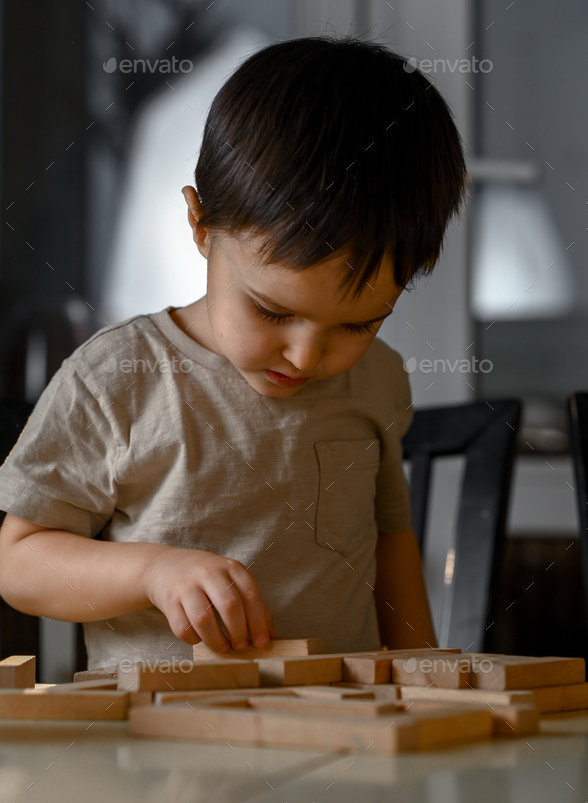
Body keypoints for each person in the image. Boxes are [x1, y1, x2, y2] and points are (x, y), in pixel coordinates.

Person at [0, 37, 467, 670]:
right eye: (272, 311)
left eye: (357, 325)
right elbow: (19, 560)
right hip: (159, 747)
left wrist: (425, 674)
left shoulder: (379, 380)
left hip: (345, 743)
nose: (306, 356)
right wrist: (153, 573)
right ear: (199, 223)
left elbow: (390, 542)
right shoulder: (112, 379)